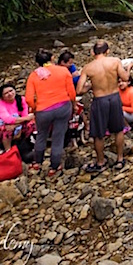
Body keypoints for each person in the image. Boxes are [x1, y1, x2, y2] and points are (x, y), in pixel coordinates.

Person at [76, 40, 130, 173]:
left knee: (98, 133)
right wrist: (128, 68)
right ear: (107, 51)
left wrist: (90, 86)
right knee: (118, 129)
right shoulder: (115, 61)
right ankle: (119, 159)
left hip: (100, 100)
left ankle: (100, 162)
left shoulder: (88, 68)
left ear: (92, 52)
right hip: (114, 97)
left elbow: (79, 90)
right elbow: (125, 77)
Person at [24, 48, 77, 177]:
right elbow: (71, 93)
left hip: (43, 110)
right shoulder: (63, 71)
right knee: (58, 137)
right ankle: (54, 166)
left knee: (41, 135)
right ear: (52, 58)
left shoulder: (33, 75)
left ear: (37, 63)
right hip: (63, 107)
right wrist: (74, 106)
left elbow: (29, 99)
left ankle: (37, 162)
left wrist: (35, 108)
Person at [0, 83, 35, 151]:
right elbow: (8, 120)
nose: (10, 94)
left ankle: (29, 142)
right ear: (2, 97)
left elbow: (24, 115)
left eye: (11, 91)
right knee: (7, 128)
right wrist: (27, 118)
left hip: (16, 125)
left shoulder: (21, 99)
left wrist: (17, 124)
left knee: (32, 123)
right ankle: (8, 150)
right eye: (6, 93)